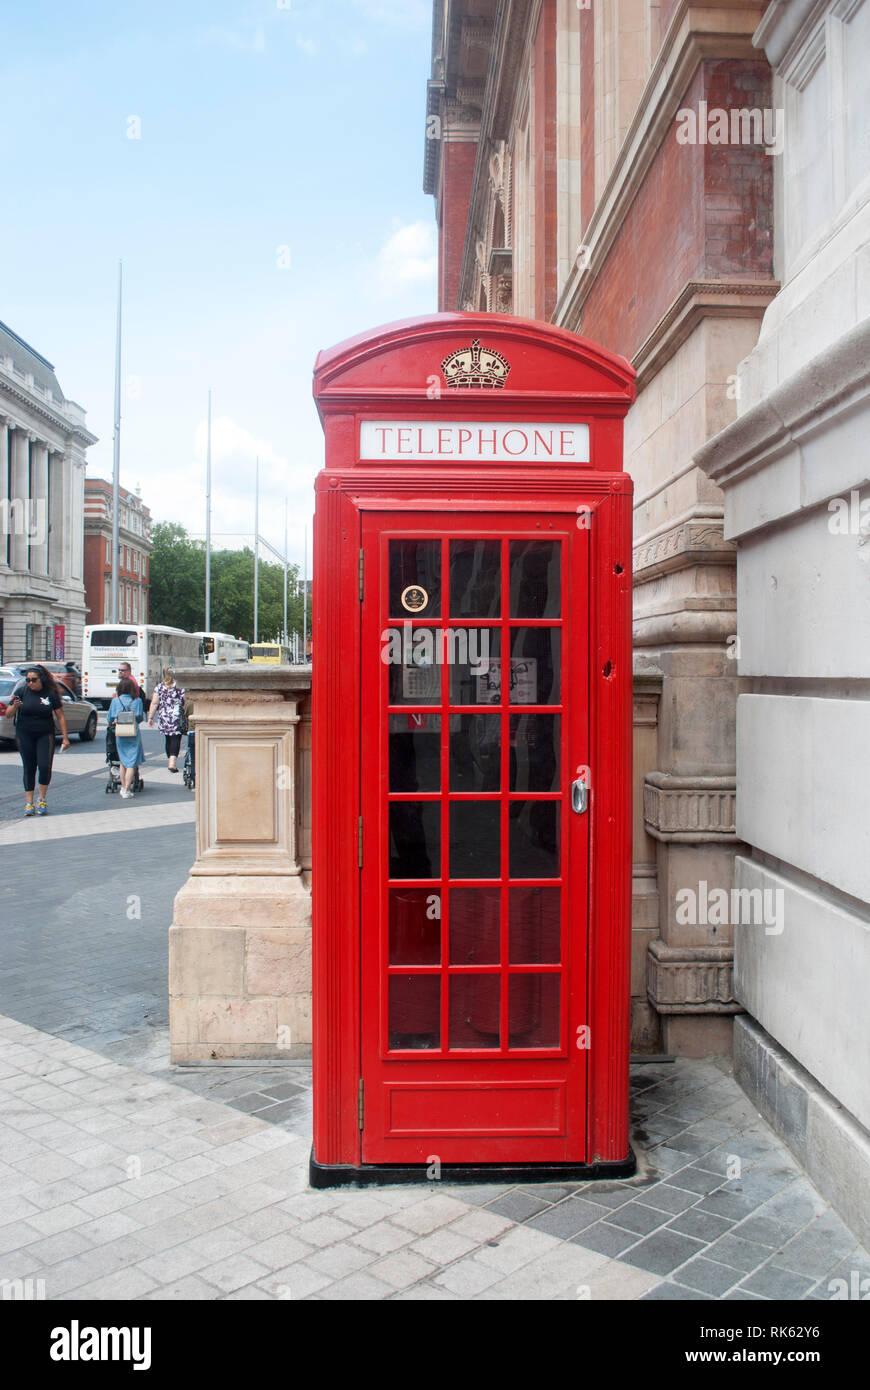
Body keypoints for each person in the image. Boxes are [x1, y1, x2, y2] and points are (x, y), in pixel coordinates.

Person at [7, 664, 70, 816]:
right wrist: (14, 706)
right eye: (27, 680)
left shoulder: (50, 694)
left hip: (45, 734)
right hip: (24, 734)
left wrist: (65, 738)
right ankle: (29, 803)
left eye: (33, 680)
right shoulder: (21, 692)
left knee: (44, 765)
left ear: (40, 679)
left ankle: (41, 798)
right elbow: (9, 714)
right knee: (29, 767)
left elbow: (60, 716)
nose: (30, 683)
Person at [107, 676, 145, 798]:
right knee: (132, 763)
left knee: (123, 762)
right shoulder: (137, 701)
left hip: (120, 733)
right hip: (133, 733)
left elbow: (110, 717)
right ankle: (127, 789)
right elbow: (139, 717)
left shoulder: (115, 701)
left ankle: (123, 787)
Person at [148, 667, 186, 772]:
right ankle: (172, 763)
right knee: (176, 739)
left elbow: (155, 702)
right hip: (176, 717)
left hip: (164, 717)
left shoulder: (159, 687)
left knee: (168, 739)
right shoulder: (179, 687)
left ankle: (170, 759)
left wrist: (150, 717)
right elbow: (185, 701)